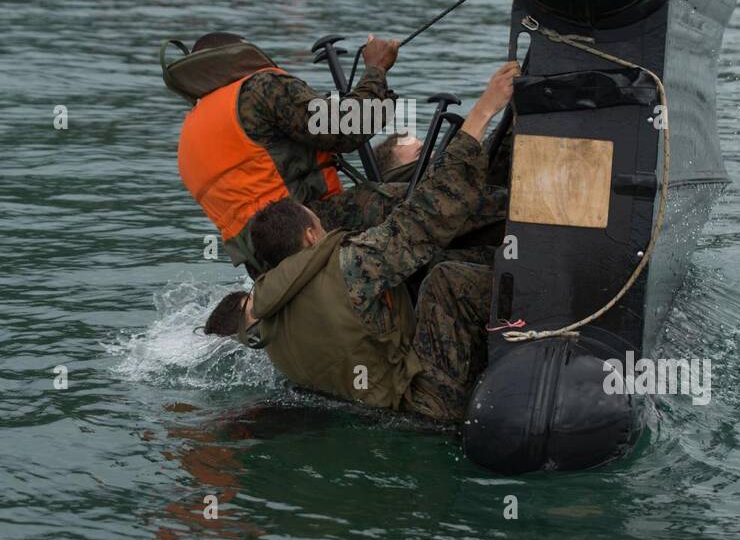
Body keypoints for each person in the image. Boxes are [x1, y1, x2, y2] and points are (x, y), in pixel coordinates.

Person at [204, 61, 519, 423]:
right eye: (320, 226)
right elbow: (427, 218)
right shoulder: (349, 267)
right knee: (446, 279)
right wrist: (484, 110)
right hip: (425, 407)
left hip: (372, 406)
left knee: (439, 263)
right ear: (310, 235)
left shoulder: (267, 320)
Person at [169, 31, 408, 272]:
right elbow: (347, 129)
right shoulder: (259, 87)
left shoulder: (190, 134)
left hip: (262, 261)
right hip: (309, 226)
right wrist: (376, 69)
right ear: (237, 52)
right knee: (418, 201)